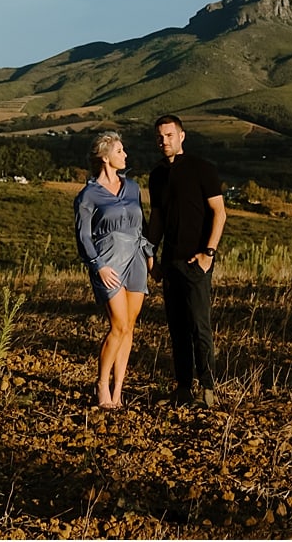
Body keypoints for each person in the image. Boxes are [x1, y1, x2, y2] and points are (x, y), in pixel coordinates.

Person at [143, 114, 227, 408]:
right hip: (170, 261)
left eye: (169, 135)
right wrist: (150, 256)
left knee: (199, 326)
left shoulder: (202, 169)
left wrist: (208, 253)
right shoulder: (157, 175)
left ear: (182, 136)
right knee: (177, 328)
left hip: (196, 261)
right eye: (159, 136)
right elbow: (157, 218)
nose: (164, 141)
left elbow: (219, 213)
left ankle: (208, 389)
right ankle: (183, 388)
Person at [73, 130, 153, 409]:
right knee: (117, 325)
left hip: (136, 260)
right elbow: (83, 236)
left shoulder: (133, 187)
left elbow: (142, 224)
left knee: (129, 327)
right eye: (120, 151)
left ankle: (118, 391)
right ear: (105, 157)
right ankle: (101, 384)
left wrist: (149, 255)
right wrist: (98, 266)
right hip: (108, 263)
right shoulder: (88, 195)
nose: (125, 155)